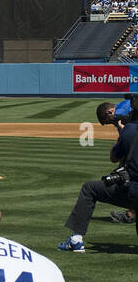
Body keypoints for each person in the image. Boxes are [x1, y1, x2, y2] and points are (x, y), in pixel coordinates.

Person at [58, 100, 138, 252]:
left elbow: (114, 156)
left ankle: (76, 240)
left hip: (133, 190)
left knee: (90, 188)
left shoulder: (128, 128)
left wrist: (123, 133)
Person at [96, 98, 137, 224]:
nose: (109, 123)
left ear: (110, 112)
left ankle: (131, 214)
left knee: (128, 175)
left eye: (107, 121)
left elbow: (124, 145)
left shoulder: (119, 115)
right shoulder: (123, 106)